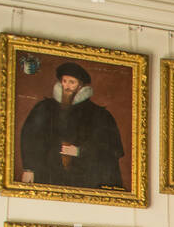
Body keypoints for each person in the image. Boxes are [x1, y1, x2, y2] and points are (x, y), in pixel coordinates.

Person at [18, 60, 126, 189]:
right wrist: (29, 169)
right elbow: (30, 137)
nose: (67, 86)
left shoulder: (98, 114)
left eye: (72, 82)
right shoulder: (44, 108)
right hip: (49, 175)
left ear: (80, 86)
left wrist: (81, 151)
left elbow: (112, 149)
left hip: (84, 178)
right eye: (64, 81)